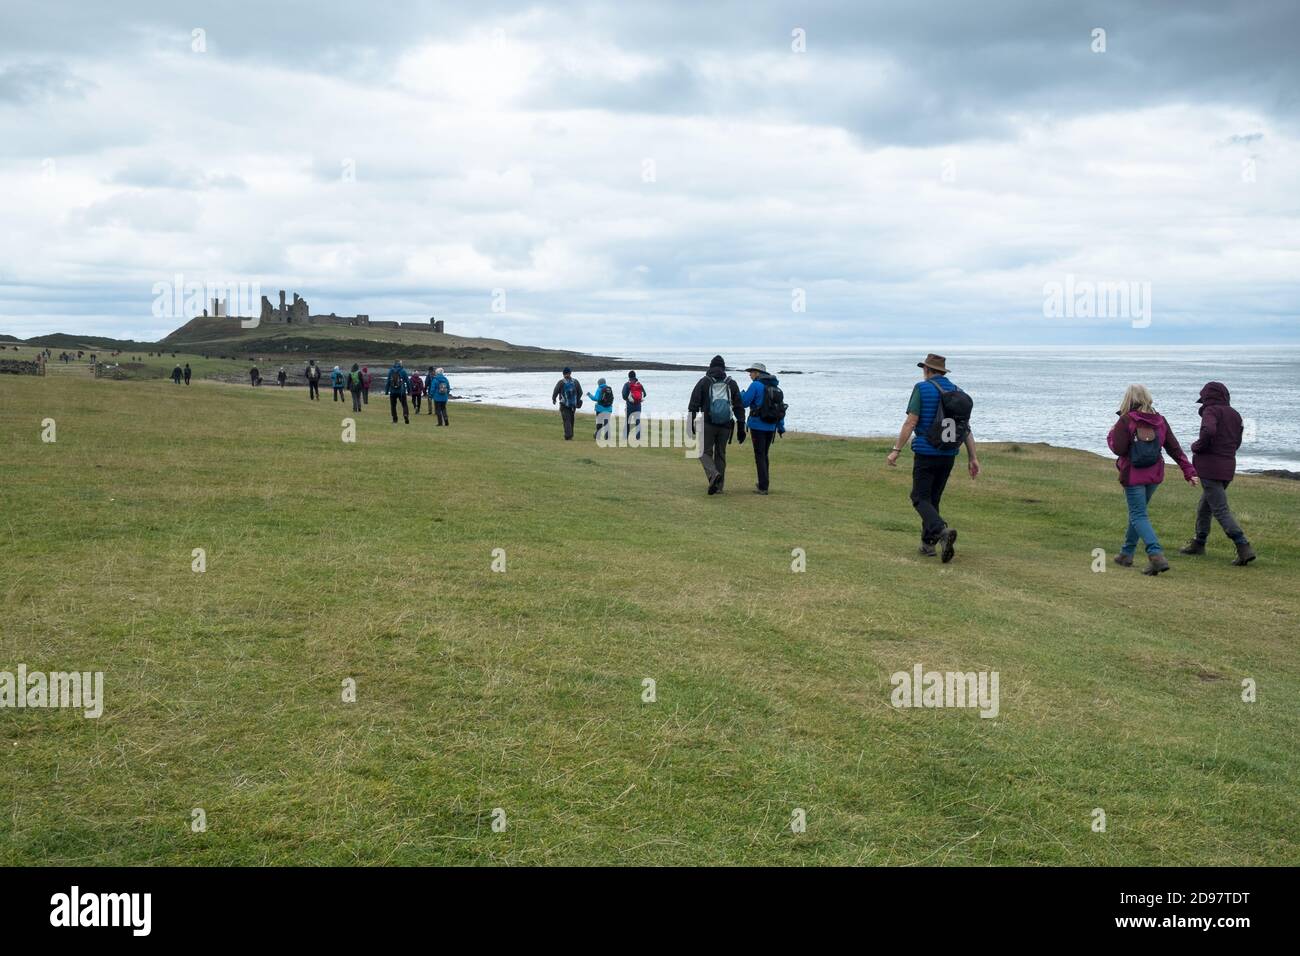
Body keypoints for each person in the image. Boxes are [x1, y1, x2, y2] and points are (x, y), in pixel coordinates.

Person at [886, 354, 980, 562]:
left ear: (927, 370)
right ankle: (928, 545)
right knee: (933, 499)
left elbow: (911, 422)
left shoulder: (922, 388)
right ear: (943, 372)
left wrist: (896, 450)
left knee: (919, 497)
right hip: (948, 455)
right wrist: (973, 457)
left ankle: (940, 531)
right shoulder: (958, 392)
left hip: (926, 452)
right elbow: (965, 429)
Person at [1107, 384, 1198, 575]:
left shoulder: (1126, 421)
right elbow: (1174, 448)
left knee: (1138, 515)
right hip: (1154, 475)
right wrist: (1188, 471)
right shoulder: (1160, 421)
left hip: (1133, 475)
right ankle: (1126, 554)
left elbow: (1119, 449)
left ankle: (1156, 555)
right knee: (1138, 513)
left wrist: (1111, 435)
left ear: (1128, 400)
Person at [1180, 382, 1255, 565]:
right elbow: (1237, 441)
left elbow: (1209, 431)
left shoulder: (1211, 411)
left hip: (1210, 467)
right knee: (1205, 507)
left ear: (1207, 397)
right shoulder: (1235, 415)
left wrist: (1196, 447)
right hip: (1228, 466)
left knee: (1220, 510)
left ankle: (1242, 545)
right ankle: (1199, 542)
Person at [688, 355, 746, 494]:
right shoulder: (731, 383)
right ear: (723, 367)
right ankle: (719, 487)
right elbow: (739, 406)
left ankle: (713, 475)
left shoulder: (704, 381)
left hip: (708, 423)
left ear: (710, 367)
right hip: (726, 425)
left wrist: (691, 422)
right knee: (721, 454)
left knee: (703, 452)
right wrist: (741, 427)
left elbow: (693, 403)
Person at [740, 363, 786, 495]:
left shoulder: (756, 385)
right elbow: (779, 409)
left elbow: (744, 403)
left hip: (757, 425)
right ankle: (764, 483)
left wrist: (742, 393)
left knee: (759, 455)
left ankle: (763, 486)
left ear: (758, 373)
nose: (750, 374)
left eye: (752, 372)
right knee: (764, 454)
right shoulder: (775, 387)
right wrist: (780, 426)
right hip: (771, 426)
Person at [551, 367, 583, 440]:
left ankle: (568, 436)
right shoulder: (575, 382)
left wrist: (554, 399)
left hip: (564, 404)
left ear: (563, 374)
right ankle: (570, 435)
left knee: (566, 420)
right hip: (573, 405)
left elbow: (555, 390)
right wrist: (576, 400)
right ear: (570, 373)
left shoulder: (561, 382)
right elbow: (580, 392)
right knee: (571, 420)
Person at [384, 359, 411, 424]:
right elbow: (407, 381)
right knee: (404, 404)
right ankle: (405, 415)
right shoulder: (403, 371)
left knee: (393, 406)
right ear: (400, 364)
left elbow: (388, 381)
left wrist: (386, 391)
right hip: (401, 391)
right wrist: (409, 390)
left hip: (393, 391)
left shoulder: (391, 371)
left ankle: (395, 419)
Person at [622, 371, 647, 440]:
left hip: (629, 406)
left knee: (628, 421)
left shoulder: (627, 384)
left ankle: (625, 437)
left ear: (629, 376)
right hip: (638, 406)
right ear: (635, 376)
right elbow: (645, 394)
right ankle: (638, 437)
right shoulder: (639, 384)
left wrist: (628, 399)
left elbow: (624, 395)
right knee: (637, 421)